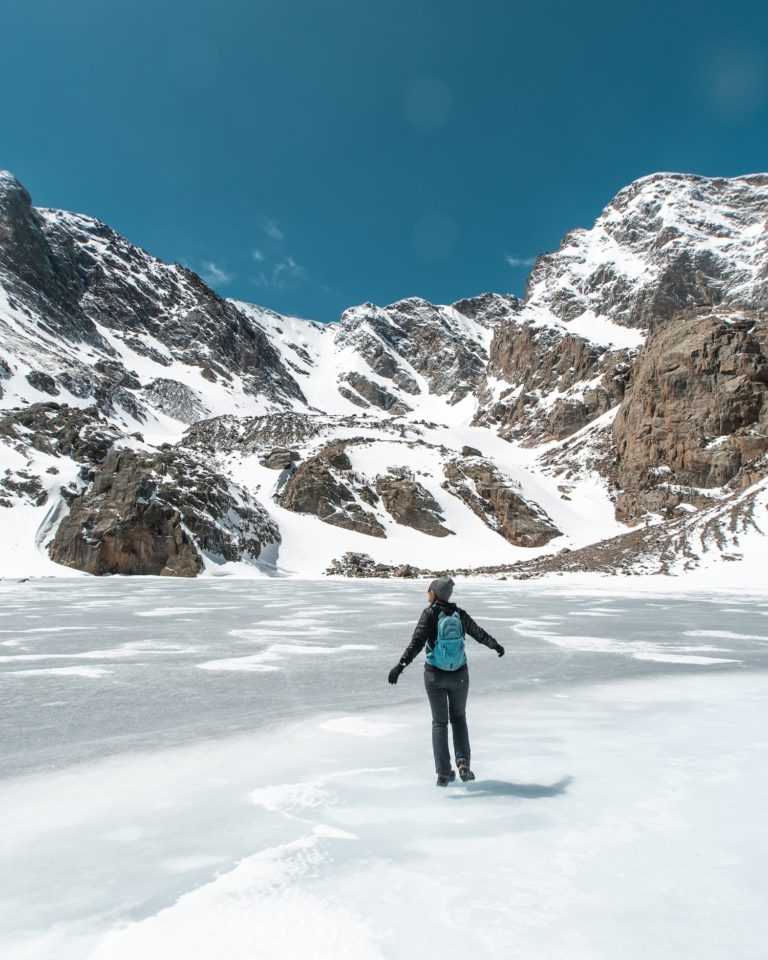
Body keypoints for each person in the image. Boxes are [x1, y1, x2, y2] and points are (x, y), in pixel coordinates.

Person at [388, 576, 505, 786]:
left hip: (434, 675)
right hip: (460, 674)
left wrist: (401, 666)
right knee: (459, 718)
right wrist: (495, 645)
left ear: (435, 593)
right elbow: (478, 633)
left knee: (439, 723)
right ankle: (464, 764)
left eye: (429, 589)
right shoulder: (459, 614)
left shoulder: (430, 613)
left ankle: (443, 773)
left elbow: (416, 643)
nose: (427, 592)